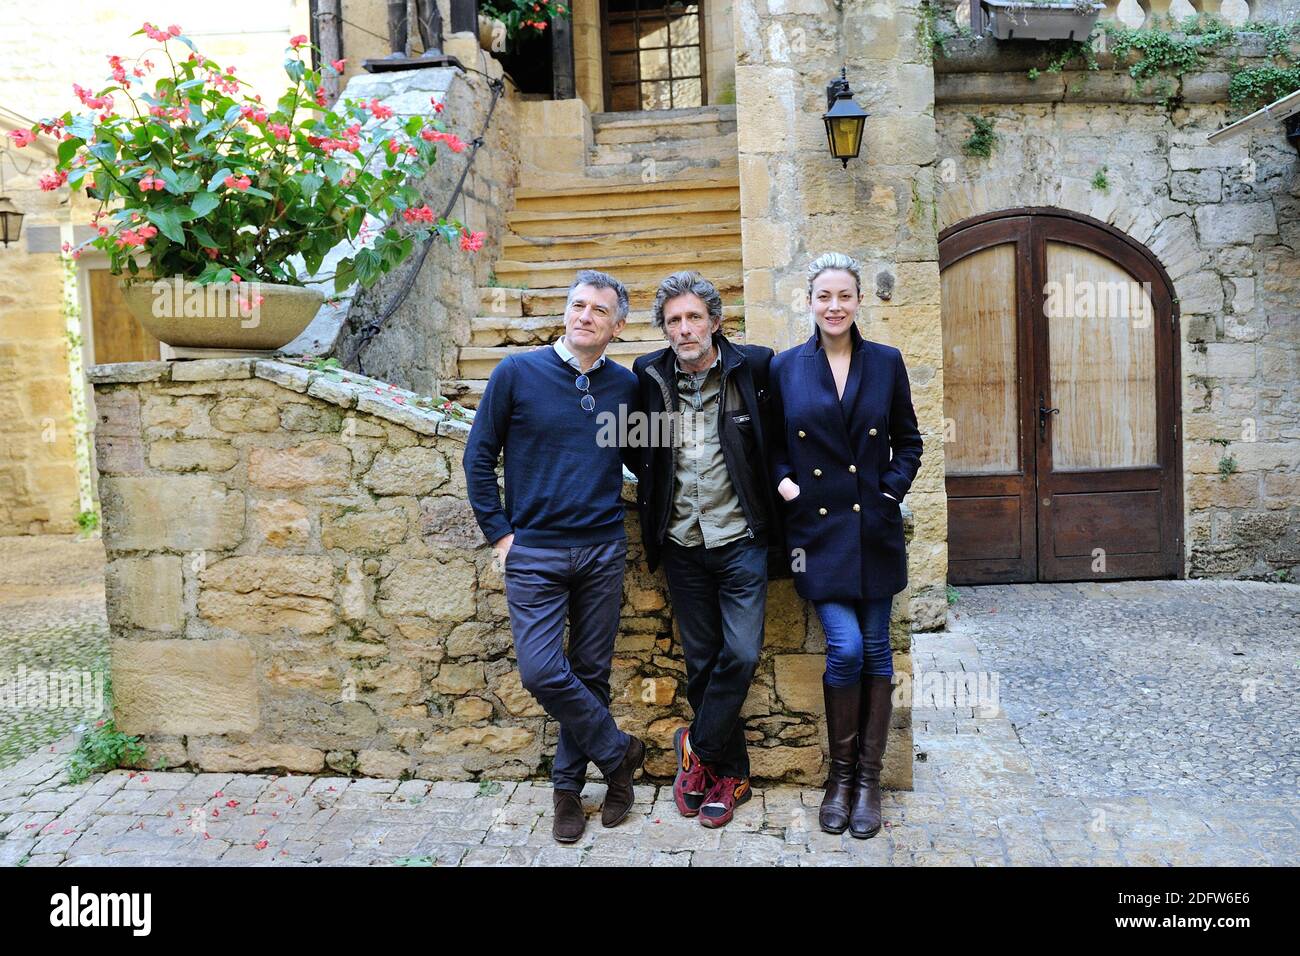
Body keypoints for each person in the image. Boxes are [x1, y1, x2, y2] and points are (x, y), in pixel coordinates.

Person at [463, 269, 645, 844]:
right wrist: (500, 534)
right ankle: (619, 756)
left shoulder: (626, 387)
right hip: (534, 550)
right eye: (577, 305)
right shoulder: (516, 373)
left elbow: (649, 461)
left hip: (602, 548)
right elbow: (478, 458)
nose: (584, 315)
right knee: (542, 671)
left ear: (617, 326)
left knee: (590, 673)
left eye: (598, 309)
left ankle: (569, 790)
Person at [768, 252, 924, 838]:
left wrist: (889, 491)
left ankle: (868, 784)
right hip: (817, 533)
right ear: (809, 302)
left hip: (874, 531)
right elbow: (771, 447)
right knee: (849, 648)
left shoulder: (886, 363)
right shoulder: (786, 368)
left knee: (878, 651)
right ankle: (838, 778)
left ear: (860, 301)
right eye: (823, 297)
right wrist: (787, 486)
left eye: (844, 296)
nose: (834, 306)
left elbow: (909, 440)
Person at [631, 271, 777, 828]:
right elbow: (634, 446)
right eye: (674, 320)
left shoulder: (754, 367)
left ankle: (693, 745)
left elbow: (779, 438)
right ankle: (728, 774)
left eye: (694, 317)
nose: (685, 328)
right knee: (702, 664)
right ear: (664, 329)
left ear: (715, 321)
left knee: (739, 655)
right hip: (682, 542)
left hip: (740, 538)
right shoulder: (648, 375)